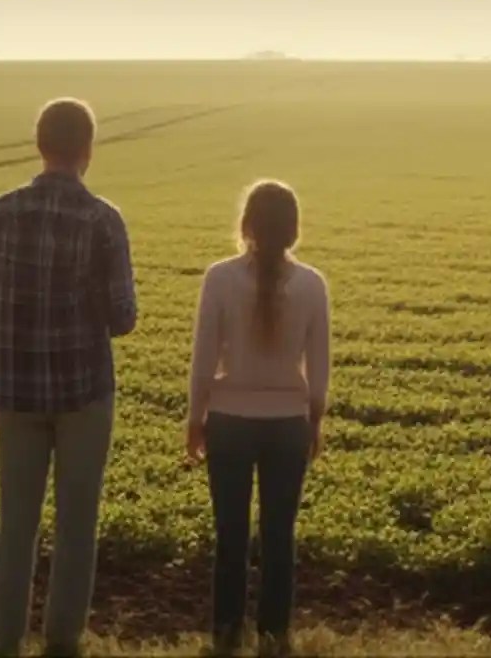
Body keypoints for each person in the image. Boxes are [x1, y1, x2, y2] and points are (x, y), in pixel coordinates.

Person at [0, 97, 137, 657]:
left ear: (40, 145)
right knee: (76, 523)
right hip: (84, 392)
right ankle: (63, 641)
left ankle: (5, 641)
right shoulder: (103, 219)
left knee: (15, 523)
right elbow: (124, 319)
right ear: (88, 149)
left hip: (15, 393)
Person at [185, 180, 331, 658]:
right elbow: (320, 364)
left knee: (230, 534)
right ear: (293, 229)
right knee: (278, 535)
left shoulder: (219, 278)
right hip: (288, 423)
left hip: (229, 420)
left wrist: (195, 416)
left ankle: (226, 634)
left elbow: (204, 355)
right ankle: (274, 635)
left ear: (246, 224)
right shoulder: (312, 284)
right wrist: (313, 421)